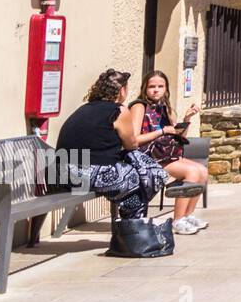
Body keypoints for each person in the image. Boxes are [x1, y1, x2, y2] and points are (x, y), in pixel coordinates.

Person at [55, 69, 167, 224]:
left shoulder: (84, 109)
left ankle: (132, 226)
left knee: (137, 174)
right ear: (121, 90)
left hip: (60, 174)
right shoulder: (119, 111)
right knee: (140, 179)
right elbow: (132, 144)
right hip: (86, 174)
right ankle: (133, 230)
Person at [128, 71, 209, 236]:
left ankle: (188, 215)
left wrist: (186, 119)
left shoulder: (163, 107)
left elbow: (177, 137)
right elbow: (135, 139)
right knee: (192, 172)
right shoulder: (139, 106)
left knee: (202, 171)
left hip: (164, 154)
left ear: (166, 88)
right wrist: (162, 131)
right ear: (145, 88)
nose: (156, 90)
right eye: (152, 86)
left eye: (160, 86)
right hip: (146, 157)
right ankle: (177, 220)